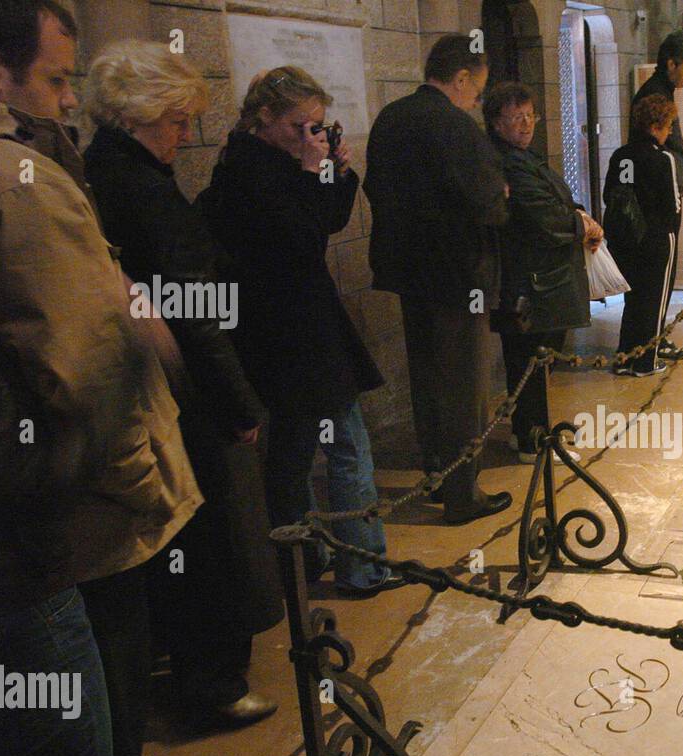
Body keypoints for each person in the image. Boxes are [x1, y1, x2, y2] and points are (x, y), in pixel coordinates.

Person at [0, 0, 218, 756]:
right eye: (54, 78)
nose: (66, 99)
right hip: (41, 532)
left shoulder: (45, 165)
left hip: (32, 517)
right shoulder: (19, 178)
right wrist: (132, 480)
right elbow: (81, 367)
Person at [82, 41, 283, 727]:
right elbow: (192, 308)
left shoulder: (104, 168)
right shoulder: (138, 184)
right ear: (141, 114)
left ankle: (197, 667)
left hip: (155, 383)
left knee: (190, 541)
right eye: (176, 121)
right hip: (186, 389)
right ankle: (215, 683)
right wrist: (239, 404)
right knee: (215, 539)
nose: (185, 135)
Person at [199, 66, 403, 597]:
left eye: (317, 125)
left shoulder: (266, 160)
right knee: (345, 450)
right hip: (295, 339)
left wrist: (335, 172)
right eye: (299, 125)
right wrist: (315, 173)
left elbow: (326, 220)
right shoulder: (250, 173)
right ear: (263, 118)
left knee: (293, 457)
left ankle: (303, 562)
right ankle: (362, 567)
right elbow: (303, 239)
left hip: (293, 336)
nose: (308, 136)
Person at [366, 35, 513, 523]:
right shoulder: (455, 125)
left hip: (410, 272)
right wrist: (502, 192)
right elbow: (487, 202)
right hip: (458, 275)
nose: (477, 99)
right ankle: (462, 494)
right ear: (461, 77)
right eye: (477, 89)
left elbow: (376, 188)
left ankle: (434, 471)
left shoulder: (391, 118)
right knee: (465, 386)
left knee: (428, 377)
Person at [485, 81, 599, 463]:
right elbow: (541, 215)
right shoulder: (507, 163)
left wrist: (579, 215)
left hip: (541, 277)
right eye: (515, 118)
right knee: (530, 361)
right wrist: (580, 224)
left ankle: (530, 433)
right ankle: (534, 441)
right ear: (496, 123)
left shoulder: (524, 157)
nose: (525, 124)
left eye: (529, 115)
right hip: (529, 281)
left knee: (537, 361)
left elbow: (558, 201)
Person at [627, 30, 683, 366]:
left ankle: (647, 342)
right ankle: (647, 347)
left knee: (651, 283)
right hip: (656, 212)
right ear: (670, 63)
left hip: (656, 206)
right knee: (653, 283)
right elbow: (658, 157)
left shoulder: (660, 90)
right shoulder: (654, 95)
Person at [604, 95, 682, 378]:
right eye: (668, 125)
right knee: (654, 301)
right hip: (655, 238)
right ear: (654, 126)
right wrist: (670, 231)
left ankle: (625, 357)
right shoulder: (663, 159)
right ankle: (647, 360)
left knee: (632, 300)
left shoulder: (620, 155)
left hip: (625, 241)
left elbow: (609, 195)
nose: (670, 131)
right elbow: (672, 205)